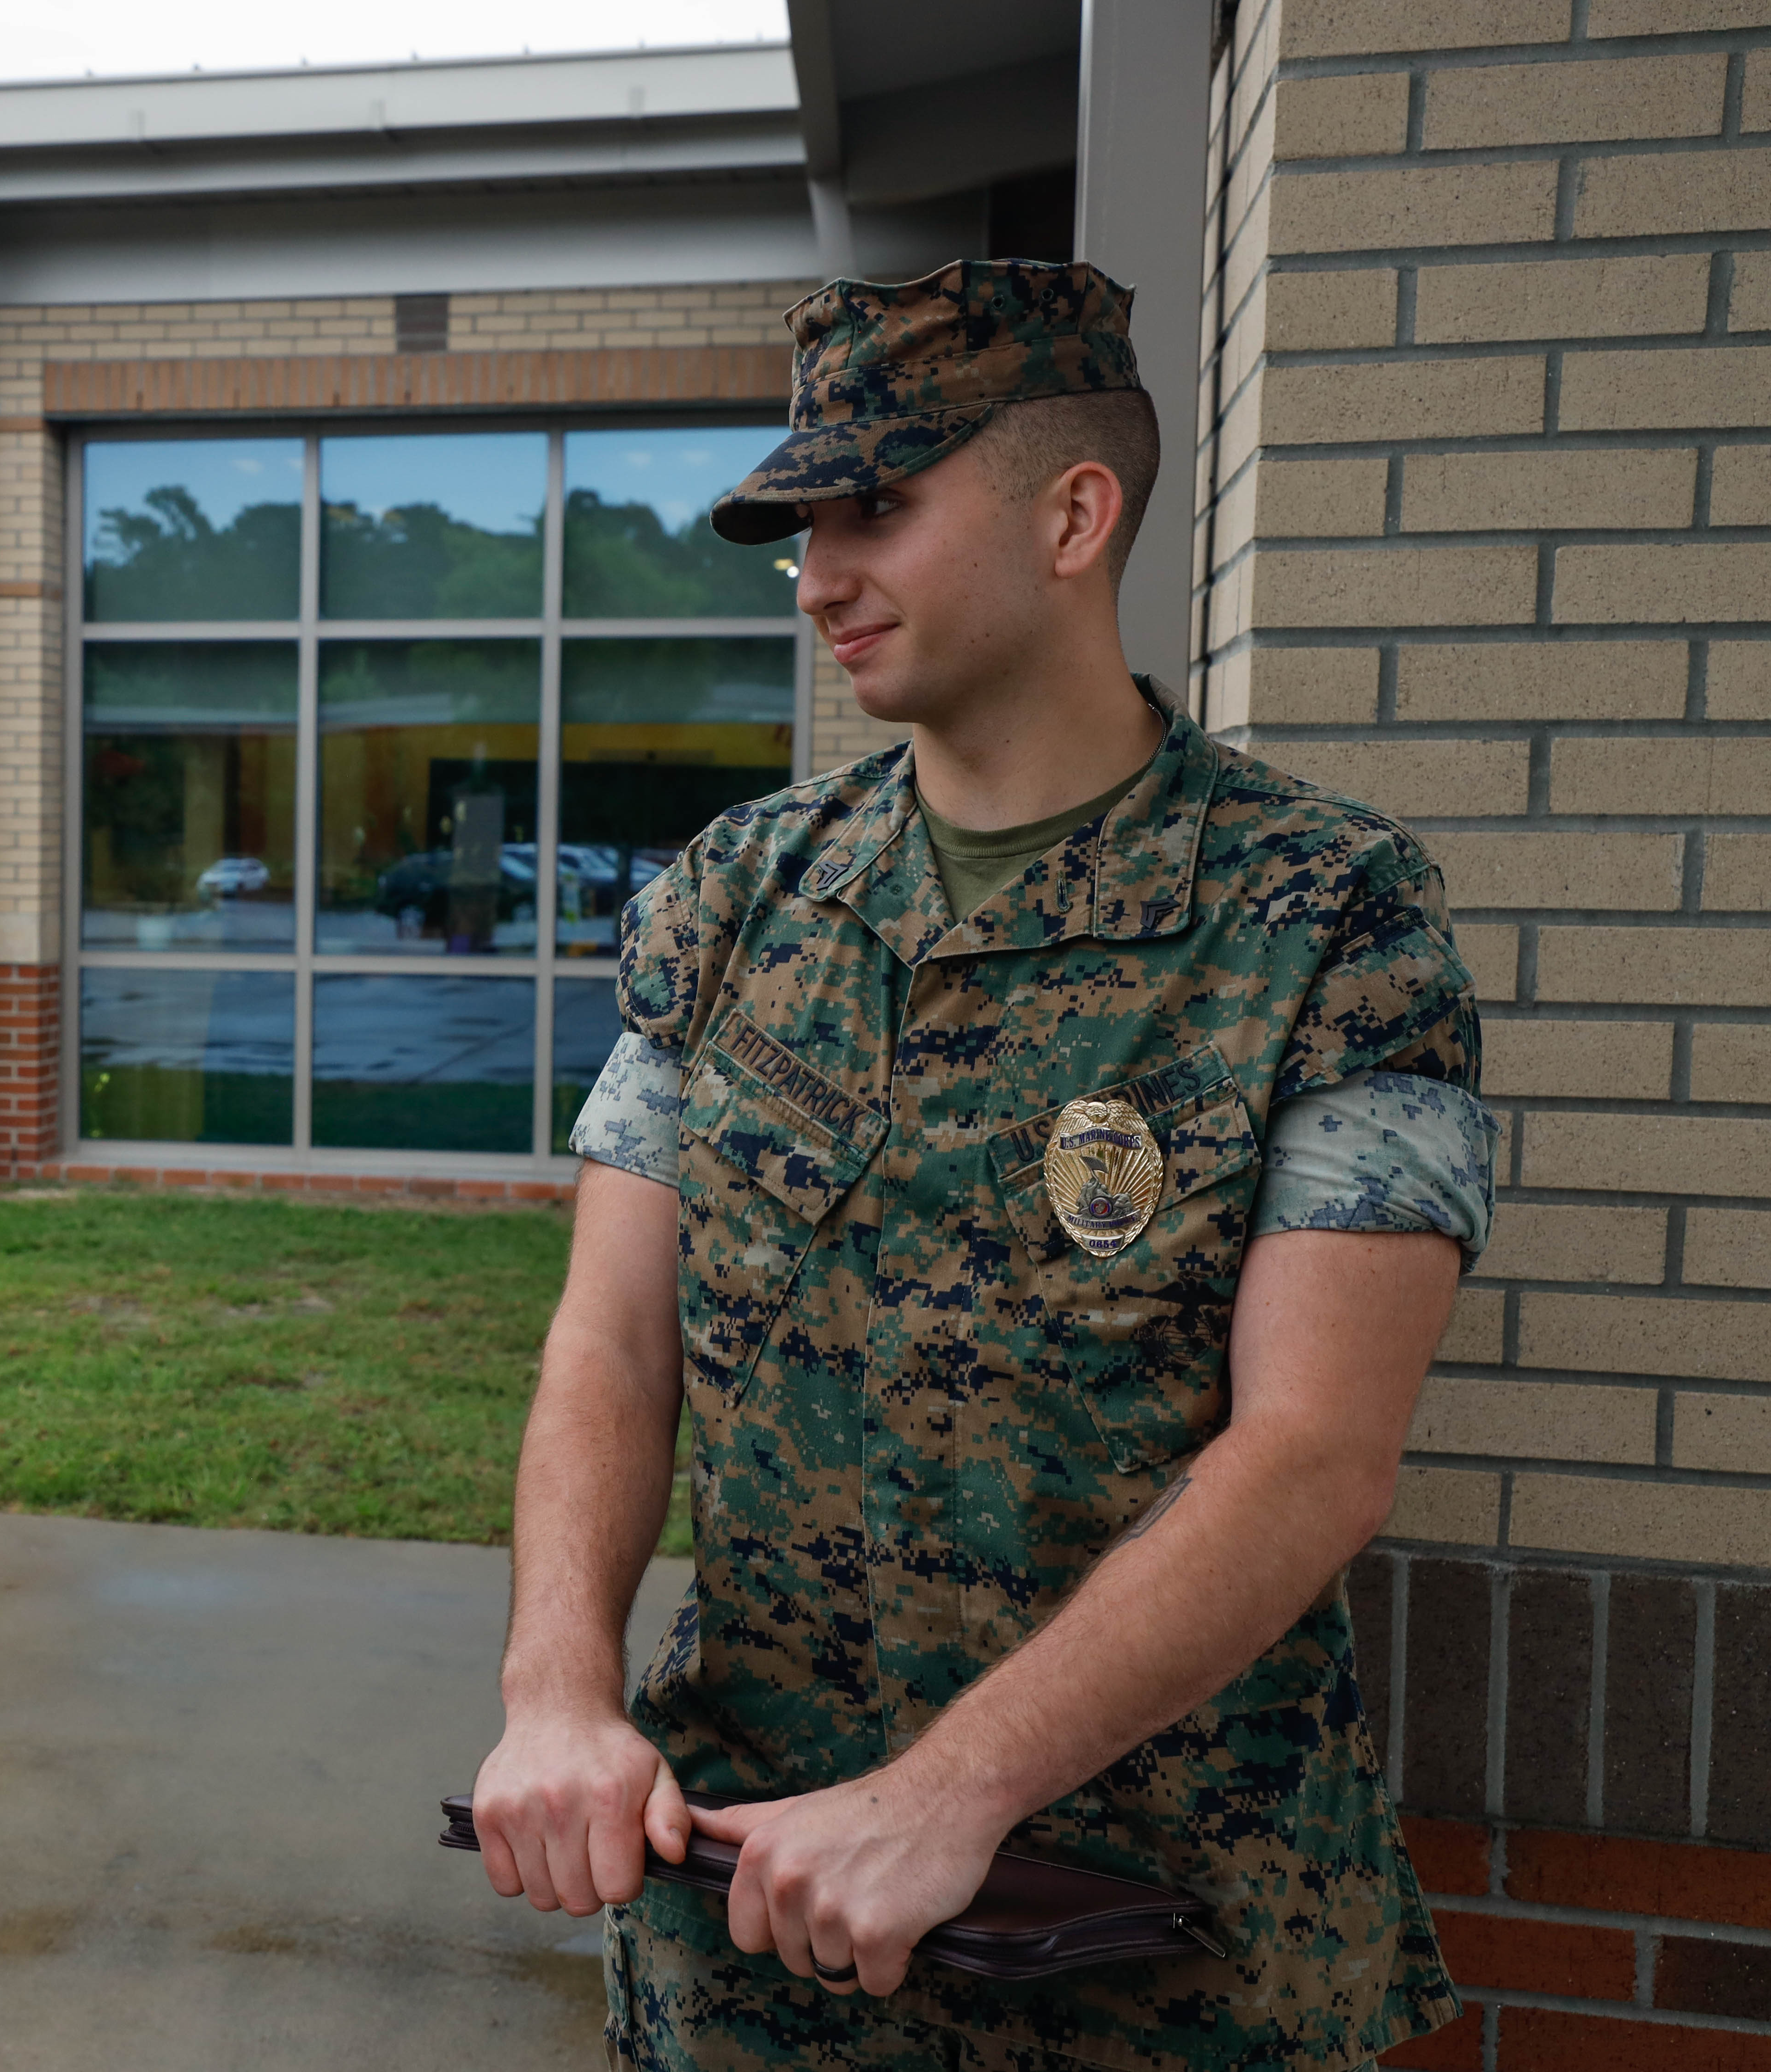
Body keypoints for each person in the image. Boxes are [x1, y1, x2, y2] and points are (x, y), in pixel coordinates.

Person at [469, 259, 1489, 2071]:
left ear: (1075, 513)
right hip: (749, 1911)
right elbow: (610, 1347)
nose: (820, 578)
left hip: (1153, 1944)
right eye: (799, 528)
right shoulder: (733, 898)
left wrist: (946, 1794)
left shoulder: (1327, 914)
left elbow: (1316, 1451)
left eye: (875, 508)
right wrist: (557, 1692)